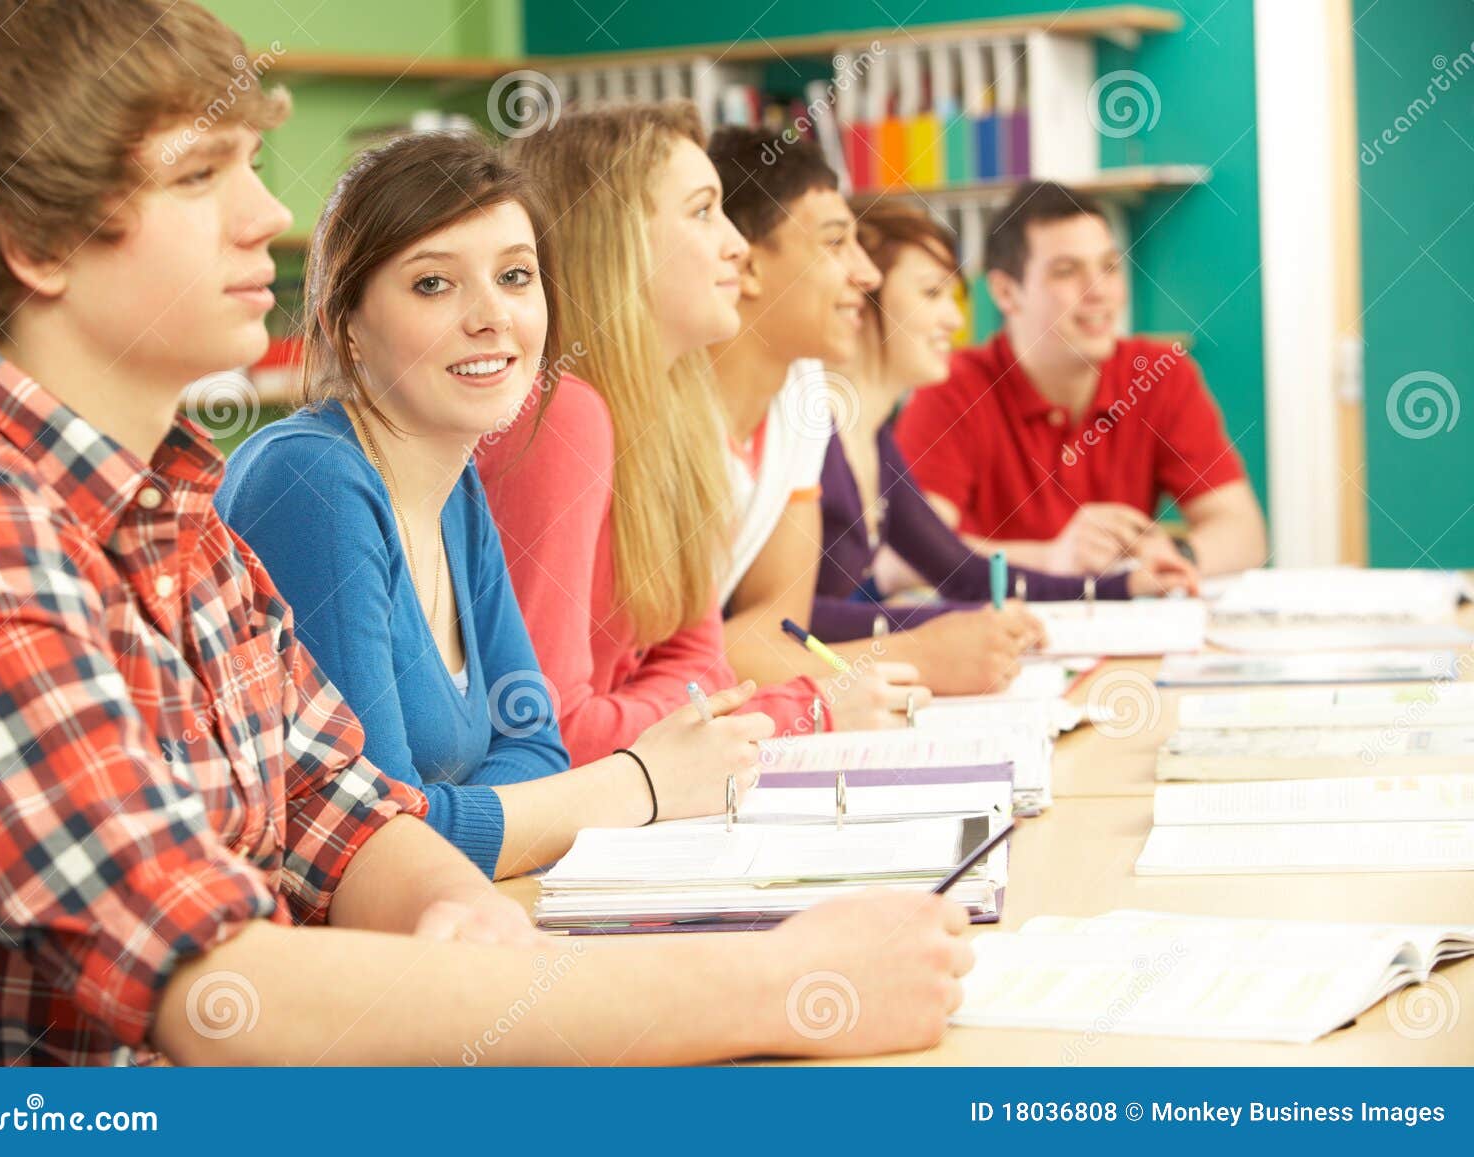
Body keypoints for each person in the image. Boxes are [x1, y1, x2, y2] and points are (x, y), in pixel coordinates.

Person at [0, 0, 972, 1067]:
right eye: (201, 175)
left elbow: (337, 808)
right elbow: (213, 986)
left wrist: (460, 916)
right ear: (35, 240)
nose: (264, 214)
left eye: (251, 165)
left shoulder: (167, 508)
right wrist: (782, 985)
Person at [218, 131, 771, 880]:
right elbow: (378, 844)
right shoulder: (311, 482)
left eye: (516, 276)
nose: (492, 316)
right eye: (433, 285)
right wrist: (637, 782)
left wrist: (466, 814)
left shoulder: (456, 489)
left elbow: (536, 747)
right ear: (345, 323)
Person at [480, 104, 927, 759]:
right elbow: (554, 734)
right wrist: (805, 706)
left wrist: (672, 706)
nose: (737, 245)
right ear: (616, 242)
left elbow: (701, 661)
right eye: (702, 211)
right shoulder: (561, 415)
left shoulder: (676, 415)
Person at [704, 127, 1040, 696]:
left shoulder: (799, 392)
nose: (867, 275)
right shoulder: (669, 419)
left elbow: (770, 631)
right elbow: (721, 650)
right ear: (746, 263)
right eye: (836, 243)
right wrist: (924, 649)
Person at [808, 193, 1197, 644]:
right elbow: (784, 622)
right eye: (933, 293)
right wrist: (948, 629)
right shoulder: (811, 439)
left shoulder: (872, 438)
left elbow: (964, 575)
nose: (955, 320)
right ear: (861, 297)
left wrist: (1122, 586)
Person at [893, 181, 1268, 577]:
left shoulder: (1158, 374)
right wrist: (1055, 559)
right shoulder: (951, 387)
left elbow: (1244, 533)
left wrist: (1176, 560)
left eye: (1108, 266)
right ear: (1006, 292)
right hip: (1002, 629)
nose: (1099, 291)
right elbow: (899, 562)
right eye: (1067, 271)